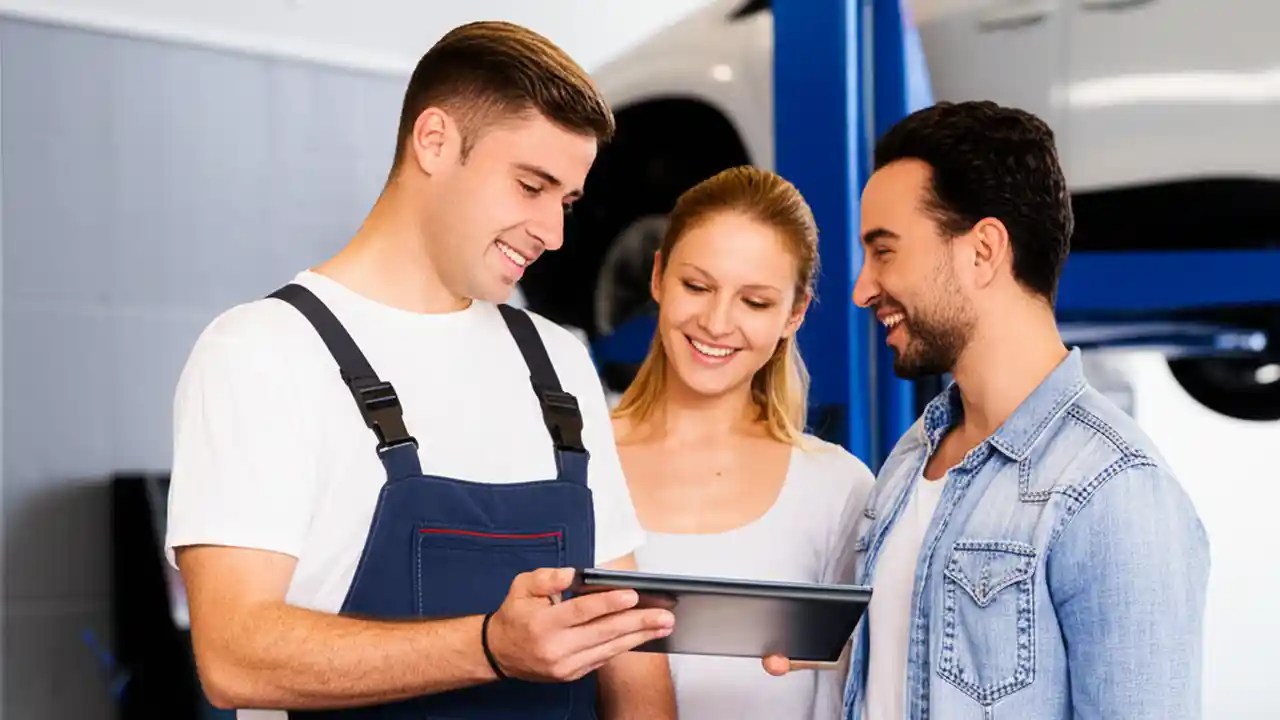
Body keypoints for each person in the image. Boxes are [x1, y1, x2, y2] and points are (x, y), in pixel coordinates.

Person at [165, 21, 677, 720]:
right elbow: (235, 656)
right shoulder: (263, 351)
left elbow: (624, 641)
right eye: (530, 185)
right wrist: (490, 648)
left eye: (564, 202)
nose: (553, 234)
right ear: (433, 141)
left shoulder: (557, 365)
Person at [765, 100, 1210, 720]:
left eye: (884, 251)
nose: (863, 289)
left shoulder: (1114, 489)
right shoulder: (911, 459)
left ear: (983, 251)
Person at [610, 166, 876, 720]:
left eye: (754, 302)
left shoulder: (837, 489)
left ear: (794, 314)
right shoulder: (575, 463)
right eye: (697, 287)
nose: (716, 322)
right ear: (658, 277)